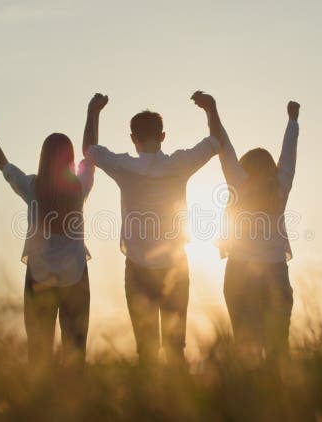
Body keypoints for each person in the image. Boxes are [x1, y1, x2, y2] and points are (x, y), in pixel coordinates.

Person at [83, 93, 225, 365]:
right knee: (175, 350)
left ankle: (149, 406)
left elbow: (89, 149)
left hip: (137, 268)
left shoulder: (125, 166)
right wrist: (210, 108)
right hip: (175, 266)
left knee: (146, 352)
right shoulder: (178, 164)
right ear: (162, 136)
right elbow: (216, 142)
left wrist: (93, 112)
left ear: (133, 138)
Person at [0, 103, 99, 366]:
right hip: (75, 277)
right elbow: (90, 157)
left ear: (43, 157)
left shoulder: (32, 187)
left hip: (38, 278)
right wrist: (92, 113)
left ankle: (40, 404)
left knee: (38, 353)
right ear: (69, 158)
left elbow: (4, 165)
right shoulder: (79, 187)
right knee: (75, 352)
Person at [191, 92, 301, 364]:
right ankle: (281, 400)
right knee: (278, 350)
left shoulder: (239, 183)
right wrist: (293, 121)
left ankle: (248, 402)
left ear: (246, 167)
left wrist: (212, 110)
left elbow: (224, 146)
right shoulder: (280, 186)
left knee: (245, 349)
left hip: (240, 274)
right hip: (276, 273)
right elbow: (289, 155)